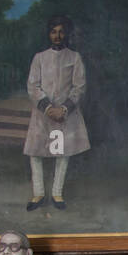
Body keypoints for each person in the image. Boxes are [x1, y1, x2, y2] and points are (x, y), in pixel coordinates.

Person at [24, 15, 89, 211]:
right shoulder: (40, 58)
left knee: (62, 152)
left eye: (61, 31)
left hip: (64, 114)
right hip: (43, 114)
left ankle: (57, 193)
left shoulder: (74, 57)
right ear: (49, 34)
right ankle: (38, 194)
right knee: (36, 152)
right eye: (53, 31)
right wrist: (47, 107)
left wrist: (64, 108)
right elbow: (32, 85)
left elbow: (79, 86)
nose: (57, 35)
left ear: (66, 33)